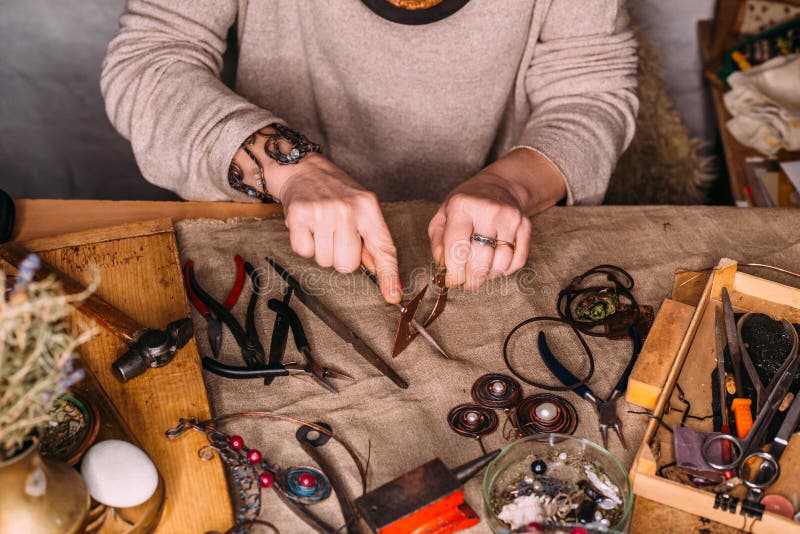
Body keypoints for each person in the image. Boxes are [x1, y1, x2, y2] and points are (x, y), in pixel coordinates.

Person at [101, 0, 638, 303]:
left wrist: (509, 185)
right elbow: (151, 61)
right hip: (270, 221)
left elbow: (591, 95)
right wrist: (290, 169)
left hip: (481, 244)